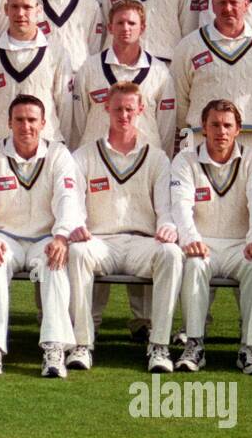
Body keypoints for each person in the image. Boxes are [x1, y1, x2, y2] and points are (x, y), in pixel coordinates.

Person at [67, 82, 182, 373]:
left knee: (171, 254)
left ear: (141, 109)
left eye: (130, 109)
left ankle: (159, 345)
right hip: (100, 240)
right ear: (106, 108)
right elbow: (73, 204)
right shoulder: (84, 155)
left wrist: (168, 226)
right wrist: (77, 226)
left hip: (142, 242)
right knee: (78, 252)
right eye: (117, 108)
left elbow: (166, 209)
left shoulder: (156, 158)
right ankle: (82, 343)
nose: (124, 115)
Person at [0, 95, 80, 377]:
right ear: (9, 122)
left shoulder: (58, 154)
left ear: (43, 123)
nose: (26, 126)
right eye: (19, 120)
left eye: (32, 120)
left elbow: (67, 197)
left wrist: (61, 236)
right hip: (4, 236)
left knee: (53, 263)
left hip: (44, 238)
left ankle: (53, 348)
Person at [168, 99, 252, 375]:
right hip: (204, 244)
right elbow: (180, 204)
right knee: (193, 263)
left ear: (239, 129)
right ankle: (194, 344)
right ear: (203, 127)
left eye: (228, 125)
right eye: (214, 124)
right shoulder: (185, 160)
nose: (221, 131)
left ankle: (250, 348)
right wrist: (190, 237)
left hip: (241, 245)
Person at [172, 0, 252, 154]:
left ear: (246, 4)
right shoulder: (188, 46)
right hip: (200, 143)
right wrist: (202, 128)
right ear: (212, 6)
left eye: (234, 2)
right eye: (222, 2)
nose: (228, 8)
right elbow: (178, 97)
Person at [0, 0, 73, 145]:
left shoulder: (57, 53)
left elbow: (65, 106)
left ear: (39, 9)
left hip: (45, 144)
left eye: (27, 7)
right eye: (14, 6)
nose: (20, 13)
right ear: (6, 9)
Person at [71, 0, 176, 154]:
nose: (126, 28)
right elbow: (78, 124)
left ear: (143, 28)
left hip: (144, 161)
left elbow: (166, 128)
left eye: (132, 23)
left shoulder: (159, 72)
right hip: (97, 161)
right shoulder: (89, 68)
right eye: (120, 23)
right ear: (110, 28)